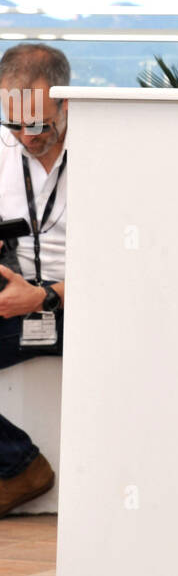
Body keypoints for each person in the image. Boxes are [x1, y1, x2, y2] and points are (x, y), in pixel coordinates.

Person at [0, 42, 69, 517]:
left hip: (91, 305)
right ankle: (20, 467)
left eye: (39, 123)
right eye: (13, 124)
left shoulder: (116, 153)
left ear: (67, 102)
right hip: (14, 295)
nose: (26, 137)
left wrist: (44, 297)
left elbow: (133, 271)